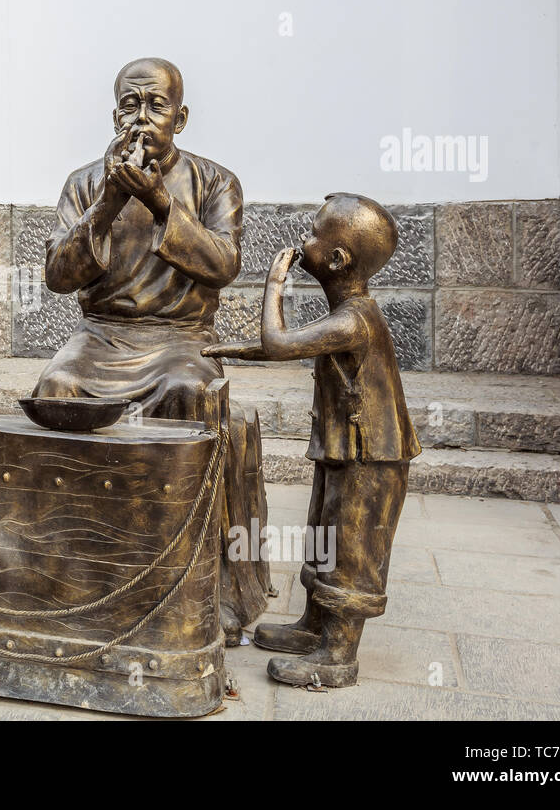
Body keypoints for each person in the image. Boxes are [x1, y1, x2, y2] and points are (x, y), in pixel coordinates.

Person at [35, 57, 270, 641]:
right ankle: (76, 572)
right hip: (98, 338)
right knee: (54, 390)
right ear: (114, 113)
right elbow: (59, 278)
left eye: (156, 105)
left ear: (181, 116)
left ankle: (194, 577)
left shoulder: (216, 182)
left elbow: (222, 266)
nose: (141, 118)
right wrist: (110, 202)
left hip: (181, 339)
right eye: (130, 105)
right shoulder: (85, 182)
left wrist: (163, 203)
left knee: (188, 392)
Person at [203, 193, 421, 687]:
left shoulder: (355, 319)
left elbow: (280, 342)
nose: (303, 241)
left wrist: (273, 284)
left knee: (352, 547)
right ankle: (314, 627)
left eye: (314, 233)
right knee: (324, 534)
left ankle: (337, 656)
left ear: (338, 259)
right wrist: (226, 349)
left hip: (372, 457)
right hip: (346, 450)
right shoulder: (346, 313)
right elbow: (281, 346)